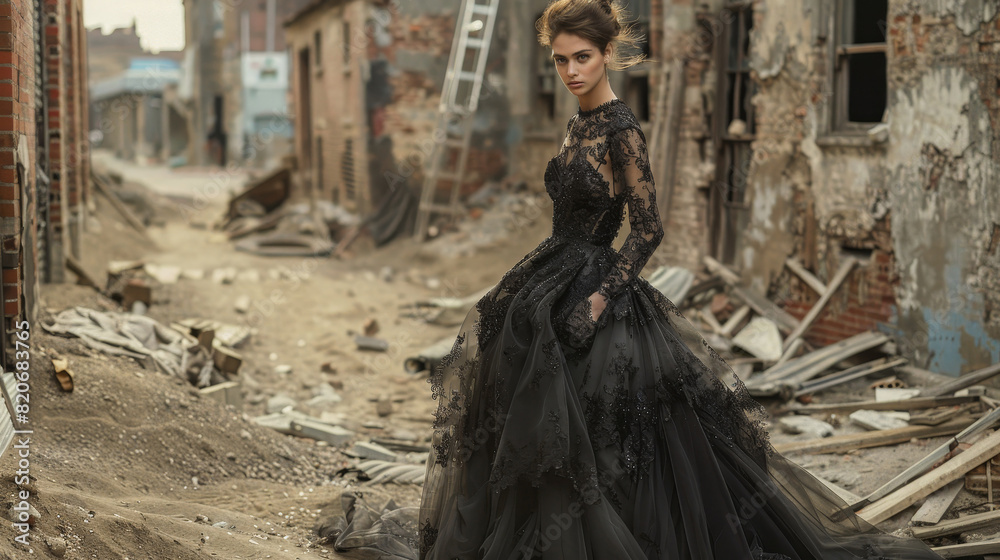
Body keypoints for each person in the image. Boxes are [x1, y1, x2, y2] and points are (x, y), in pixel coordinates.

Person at [327, 1, 958, 558]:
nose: (571, 70)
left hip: (600, 284)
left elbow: (649, 229)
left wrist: (600, 299)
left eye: (583, 57)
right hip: (554, 267)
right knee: (525, 400)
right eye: (560, 60)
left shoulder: (622, 128)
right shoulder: (577, 125)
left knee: (610, 426)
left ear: (608, 56)